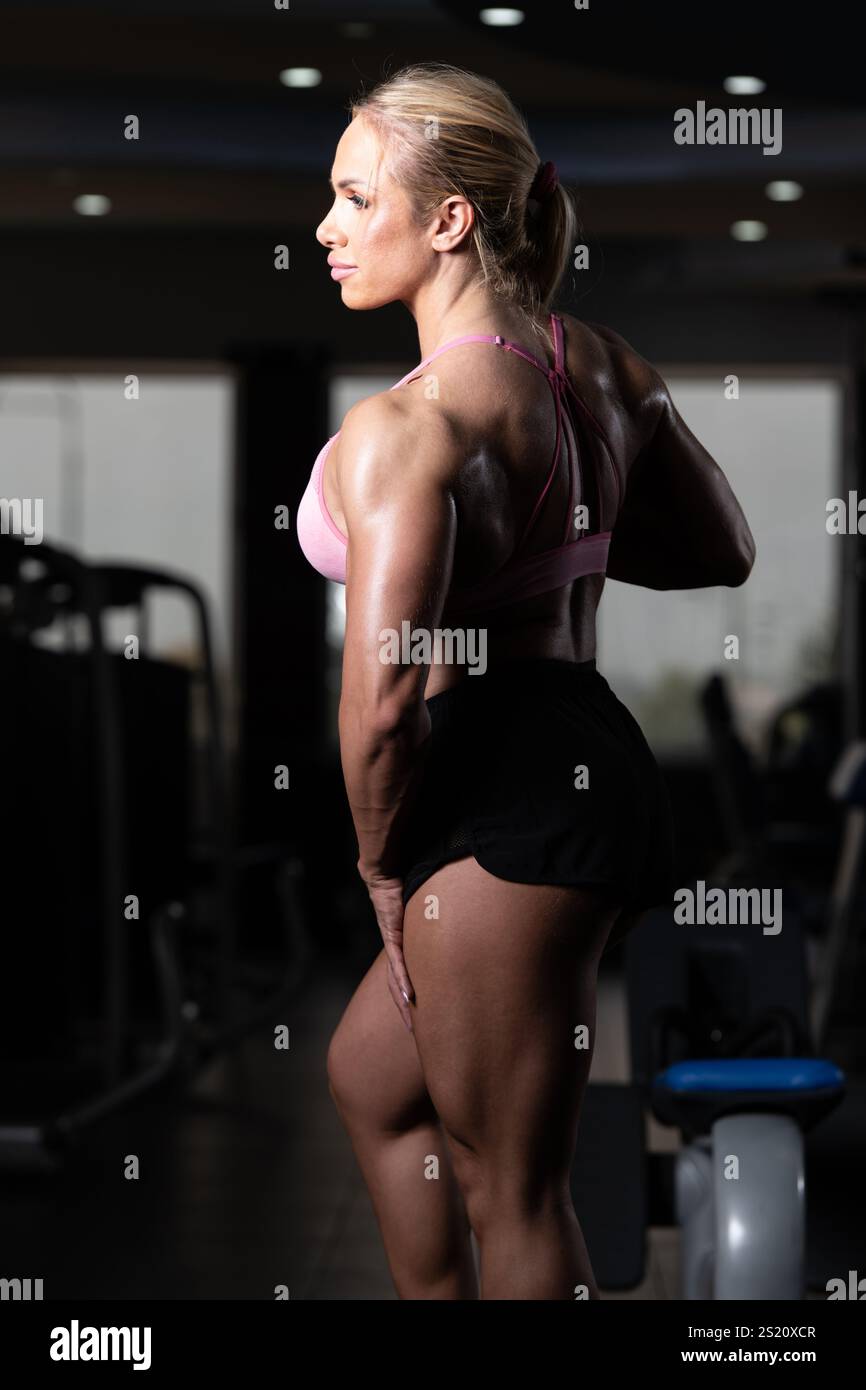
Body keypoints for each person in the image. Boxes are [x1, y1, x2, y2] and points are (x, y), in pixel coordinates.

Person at [296, 61, 755, 1300]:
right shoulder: (596, 366)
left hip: (502, 782)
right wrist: (561, 539)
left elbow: (384, 695)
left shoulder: (413, 425)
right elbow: (722, 550)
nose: (324, 229)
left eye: (350, 197)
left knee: (513, 1183)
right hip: (577, 745)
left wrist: (380, 868)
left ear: (447, 218)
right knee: (370, 1079)